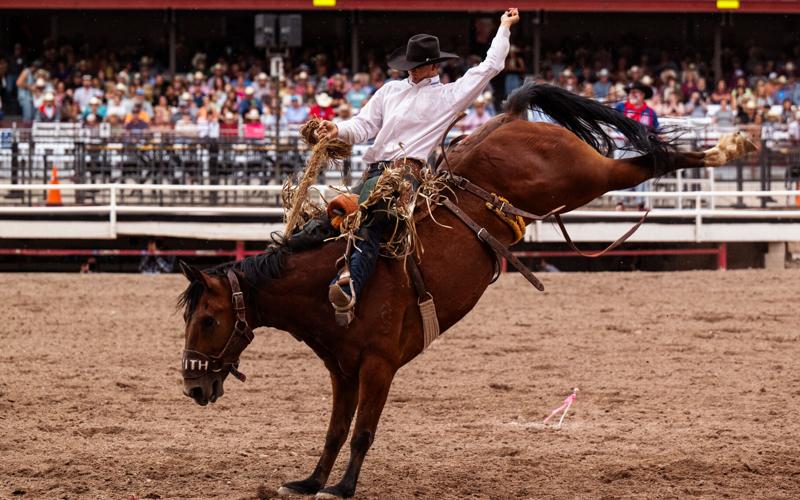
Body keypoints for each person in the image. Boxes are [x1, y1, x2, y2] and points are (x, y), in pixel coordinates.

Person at [316, 7, 520, 322]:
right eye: (410, 67)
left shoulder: (450, 96)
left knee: (372, 219)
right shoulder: (390, 90)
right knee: (326, 217)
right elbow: (363, 125)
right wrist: (336, 129)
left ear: (433, 67)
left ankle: (349, 285)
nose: (411, 72)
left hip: (405, 176)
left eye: (416, 66)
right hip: (375, 173)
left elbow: (491, 66)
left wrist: (504, 27)